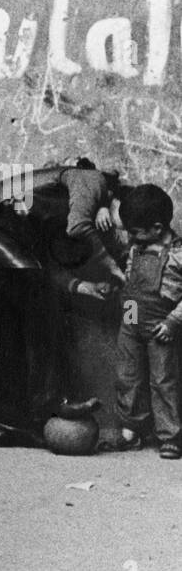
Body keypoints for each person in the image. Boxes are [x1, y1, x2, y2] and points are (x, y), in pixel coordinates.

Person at [0, 159, 122, 447]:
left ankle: (4, 424)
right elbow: (77, 227)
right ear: (115, 196)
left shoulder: (65, 203)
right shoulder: (91, 178)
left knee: (14, 334)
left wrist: (82, 286)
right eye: (121, 223)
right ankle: (54, 401)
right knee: (45, 316)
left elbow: (44, 263)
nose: (114, 231)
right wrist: (110, 263)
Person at [101, 184, 182, 458]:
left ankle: (169, 436)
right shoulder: (137, 246)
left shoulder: (178, 254)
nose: (131, 238)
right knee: (128, 375)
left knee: (163, 380)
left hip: (161, 324)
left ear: (157, 228)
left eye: (135, 232)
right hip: (132, 315)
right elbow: (129, 277)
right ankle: (131, 430)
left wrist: (173, 321)